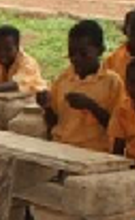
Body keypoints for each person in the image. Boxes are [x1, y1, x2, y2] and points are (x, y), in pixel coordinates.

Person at [36, 19, 125, 153]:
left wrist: (91, 106)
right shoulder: (64, 79)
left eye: (84, 54)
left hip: (94, 152)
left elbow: (118, 128)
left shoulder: (112, 82)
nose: (76, 58)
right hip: (62, 148)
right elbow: (54, 122)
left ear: (100, 50)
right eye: (71, 53)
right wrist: (46, 106)